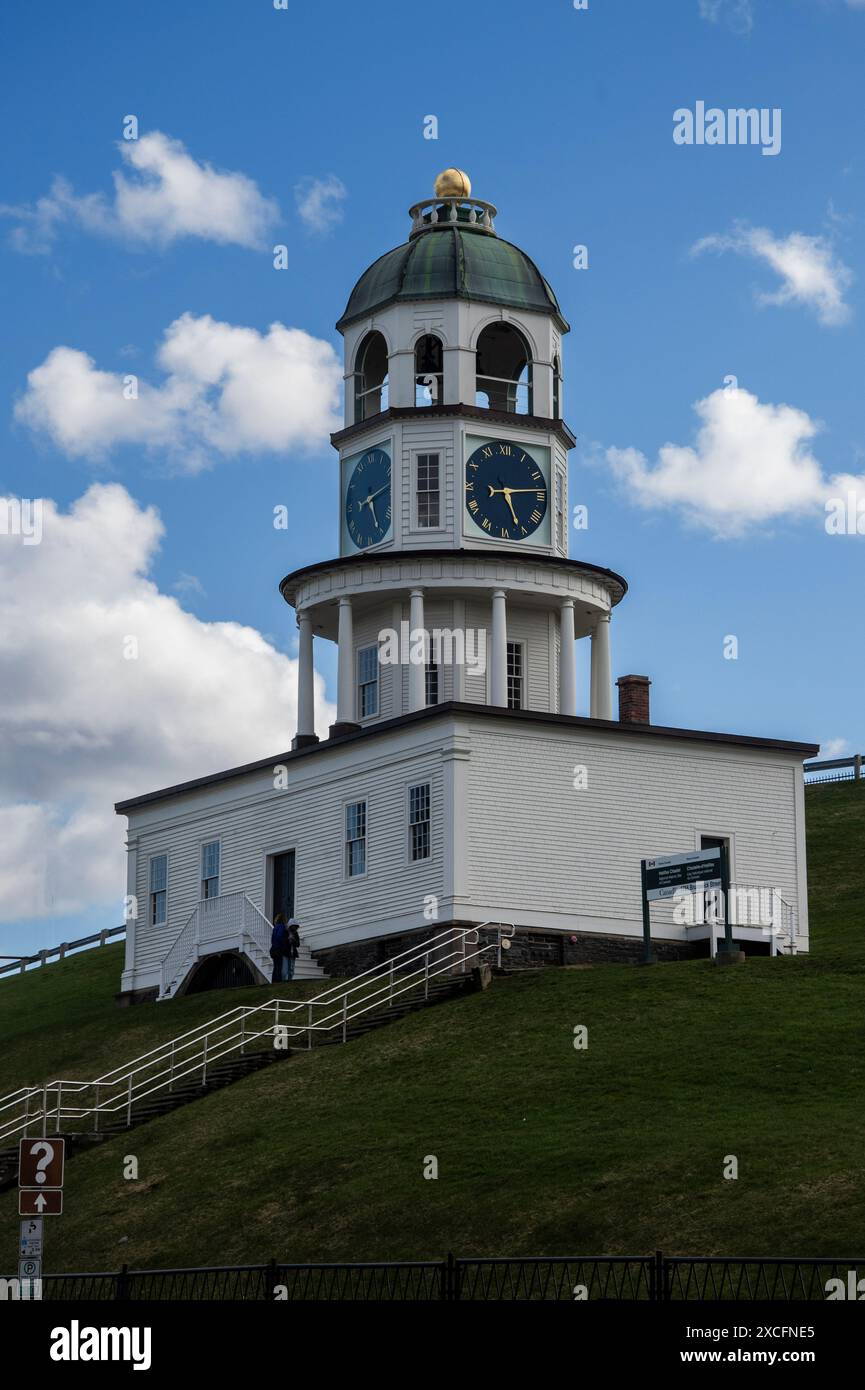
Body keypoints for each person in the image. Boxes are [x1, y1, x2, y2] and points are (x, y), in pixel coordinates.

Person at [270, 913, 288, 985]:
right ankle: (278, 981)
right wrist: (284, 943)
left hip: (273, 949)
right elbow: (280, 936)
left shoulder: (275, 927)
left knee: (275, 966)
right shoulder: (281, 927)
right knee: (279, 966)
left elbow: (272, 939)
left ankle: (274, 981)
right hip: (278, 949)